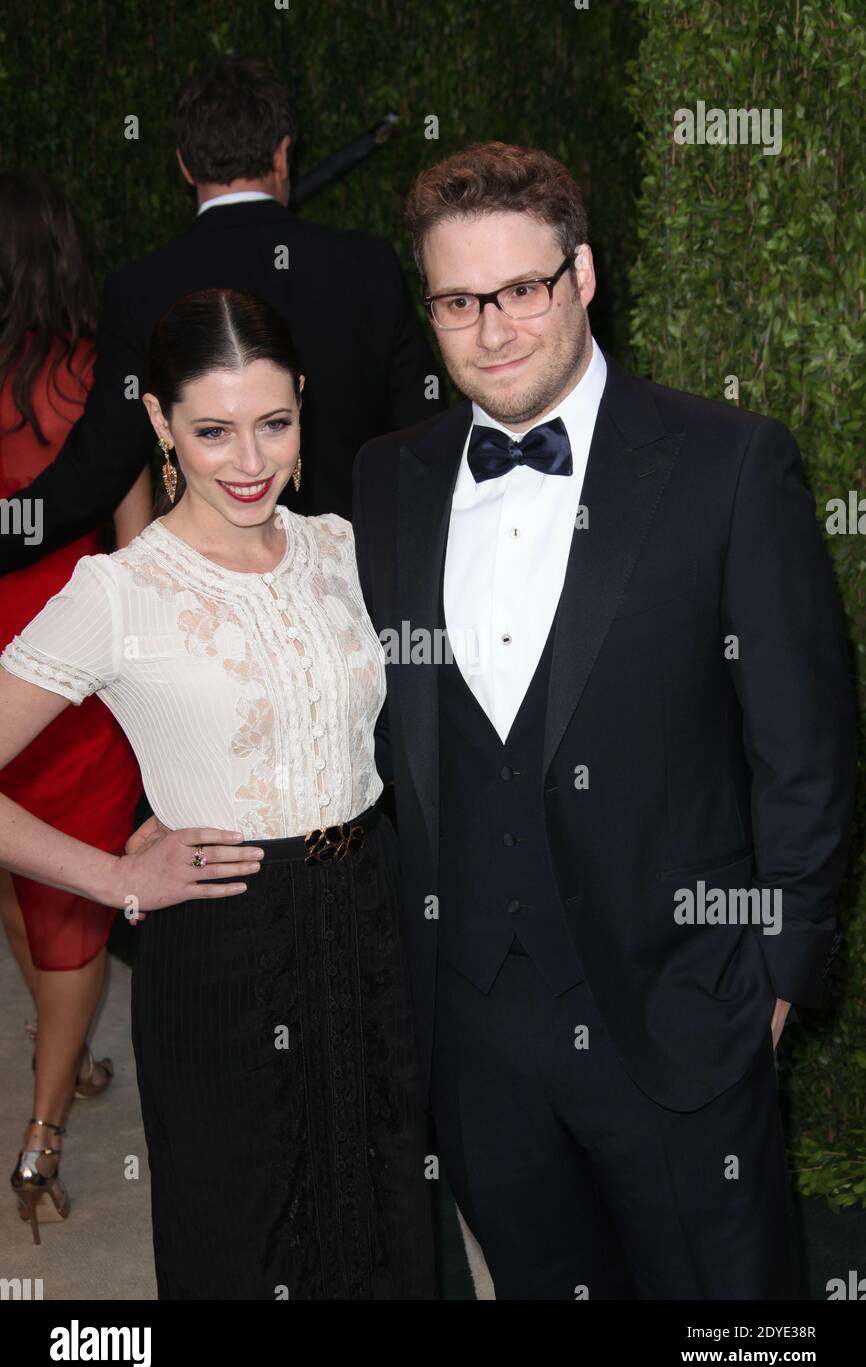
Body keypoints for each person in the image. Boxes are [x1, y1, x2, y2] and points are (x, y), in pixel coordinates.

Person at [348, 141, 857, 1299]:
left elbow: (804, 748)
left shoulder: (727, 463)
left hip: (681, 1014)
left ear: (581, 275)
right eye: (458, 301)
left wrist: (775, 979)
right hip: (473, 1034)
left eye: (521, 288)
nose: (492, 330)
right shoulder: (388, 477)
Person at [0, 286, 435, 1298]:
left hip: (369, 923)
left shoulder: (342, 547)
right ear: (158, 420)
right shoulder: (120, 592)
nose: (249, 462)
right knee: (243, 1236)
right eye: (212, 431)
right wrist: (112, 877)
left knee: (382, 1217)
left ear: (302, 404)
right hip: (221, 938)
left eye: (274, 423)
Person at [0, 55, 444, 577]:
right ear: (283, 154)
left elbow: (96, 472)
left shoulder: (140, 286)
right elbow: (425, 432)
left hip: (209, 586)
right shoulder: (366, 263)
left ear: (185, 165)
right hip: (353, 578)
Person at [0, 169, 147, 1244]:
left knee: (20, 879)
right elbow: (135, 550)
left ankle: (70, 1060)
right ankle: (41, 1135)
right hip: (70, 679)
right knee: (71, 908)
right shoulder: (97, 380)